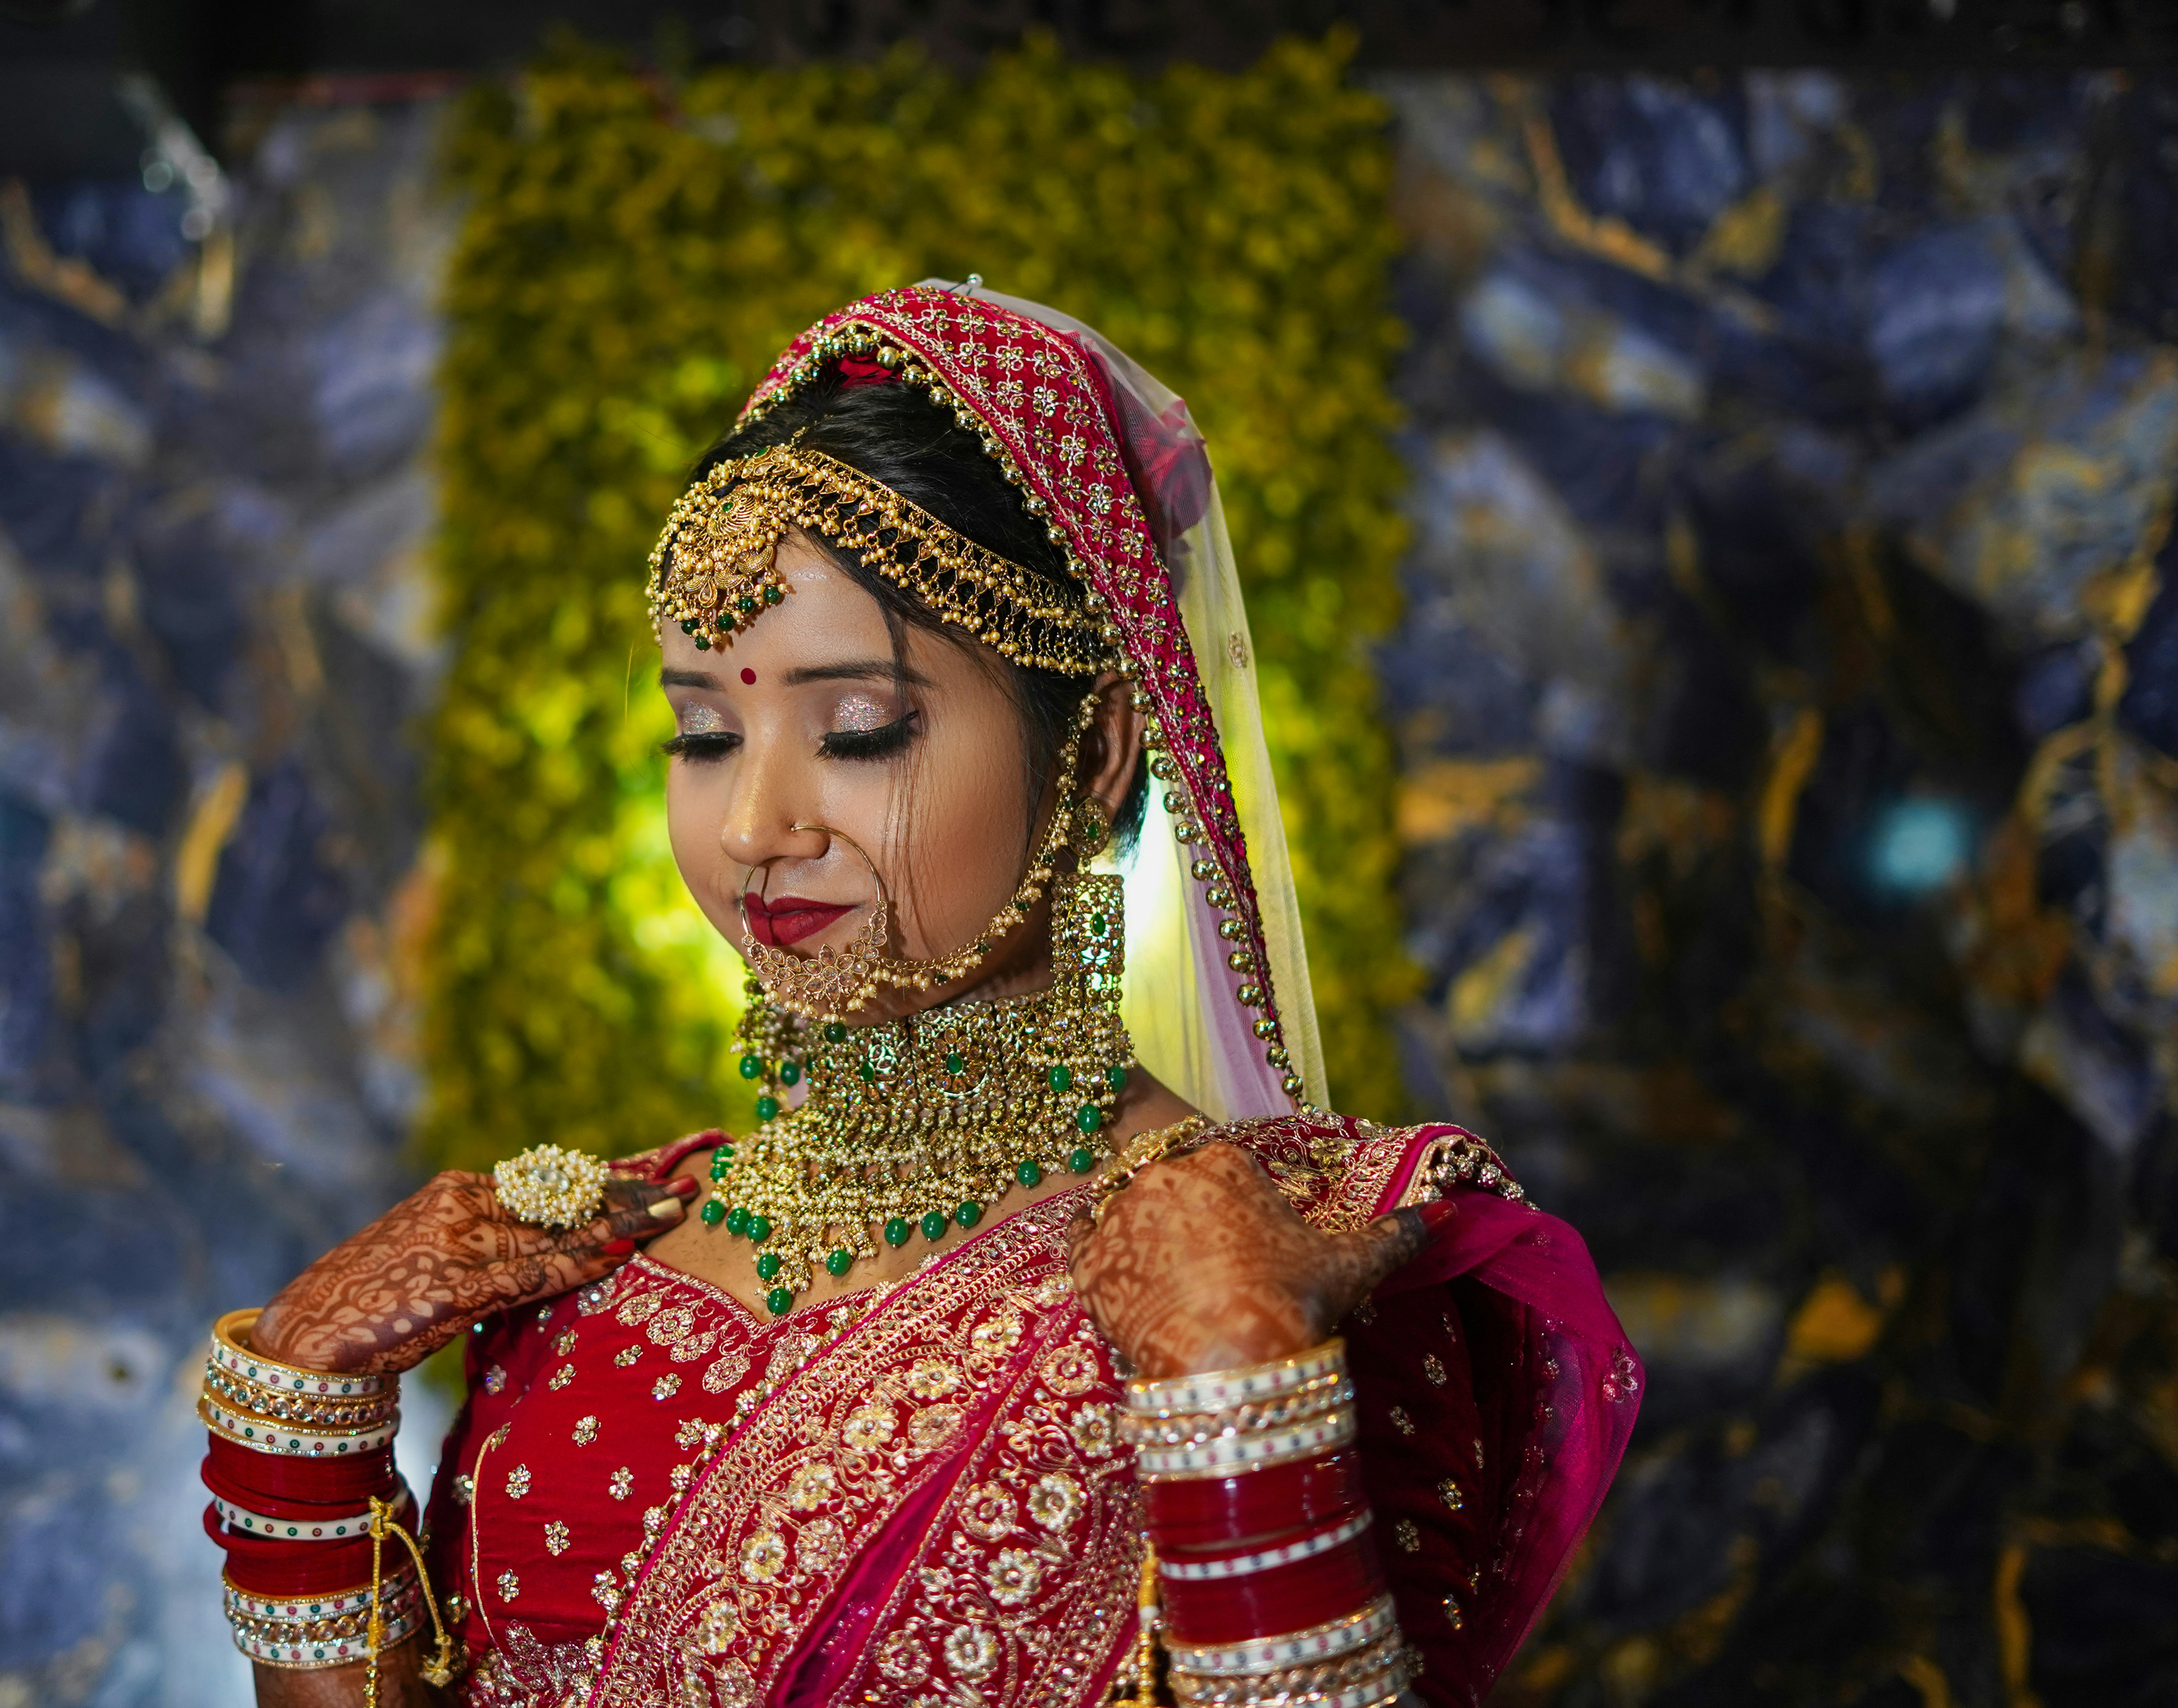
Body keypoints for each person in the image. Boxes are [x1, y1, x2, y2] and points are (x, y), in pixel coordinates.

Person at [193, 284, 1642, 1708]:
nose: (756, 822)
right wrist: (306, 1411)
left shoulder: (1303, 1254)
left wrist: (1234, 1383)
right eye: (703, 734)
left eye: (860, 727)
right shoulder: (582, 1271)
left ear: (1096, 758)